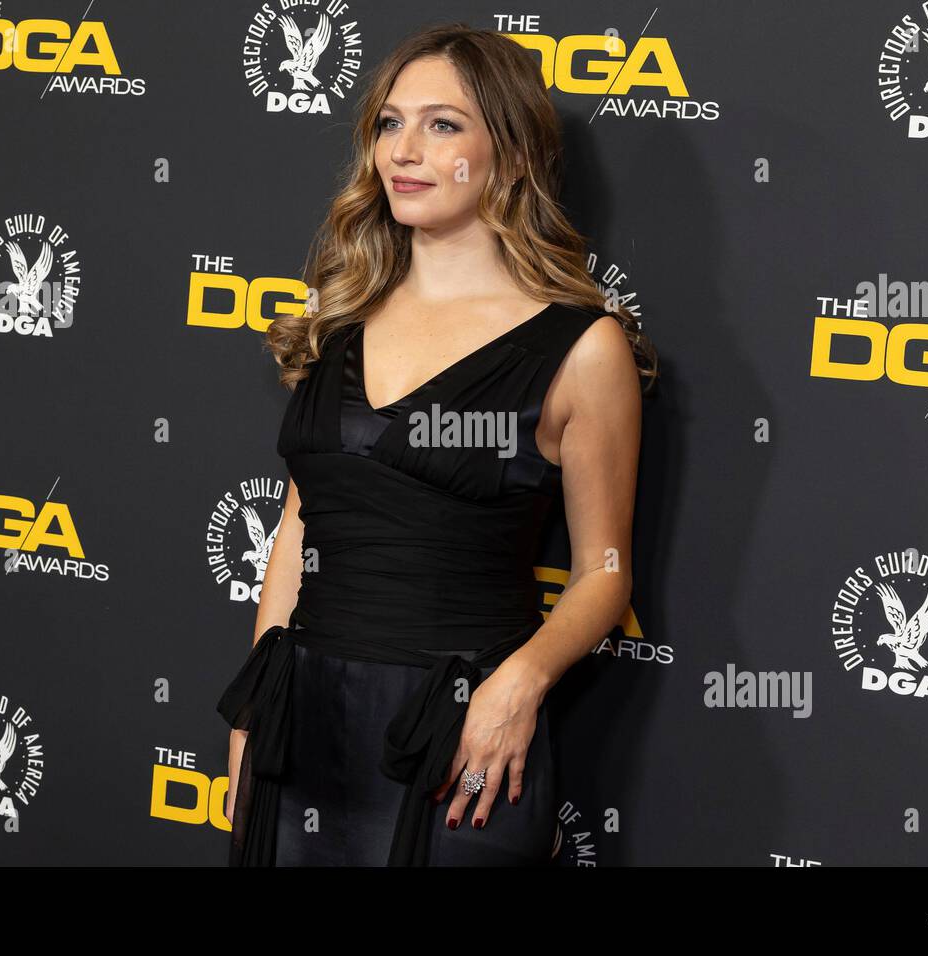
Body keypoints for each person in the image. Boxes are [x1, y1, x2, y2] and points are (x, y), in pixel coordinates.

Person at [218, 22, 655, 866]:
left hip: (460, 738)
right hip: (301, 730)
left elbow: (604, 573)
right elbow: (298, 530)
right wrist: (252, 713)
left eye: (443, 124)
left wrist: (517, 687)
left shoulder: (580, 348)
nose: (404, 151)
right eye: (390, 123)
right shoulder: (338, 319)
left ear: (513, 155)